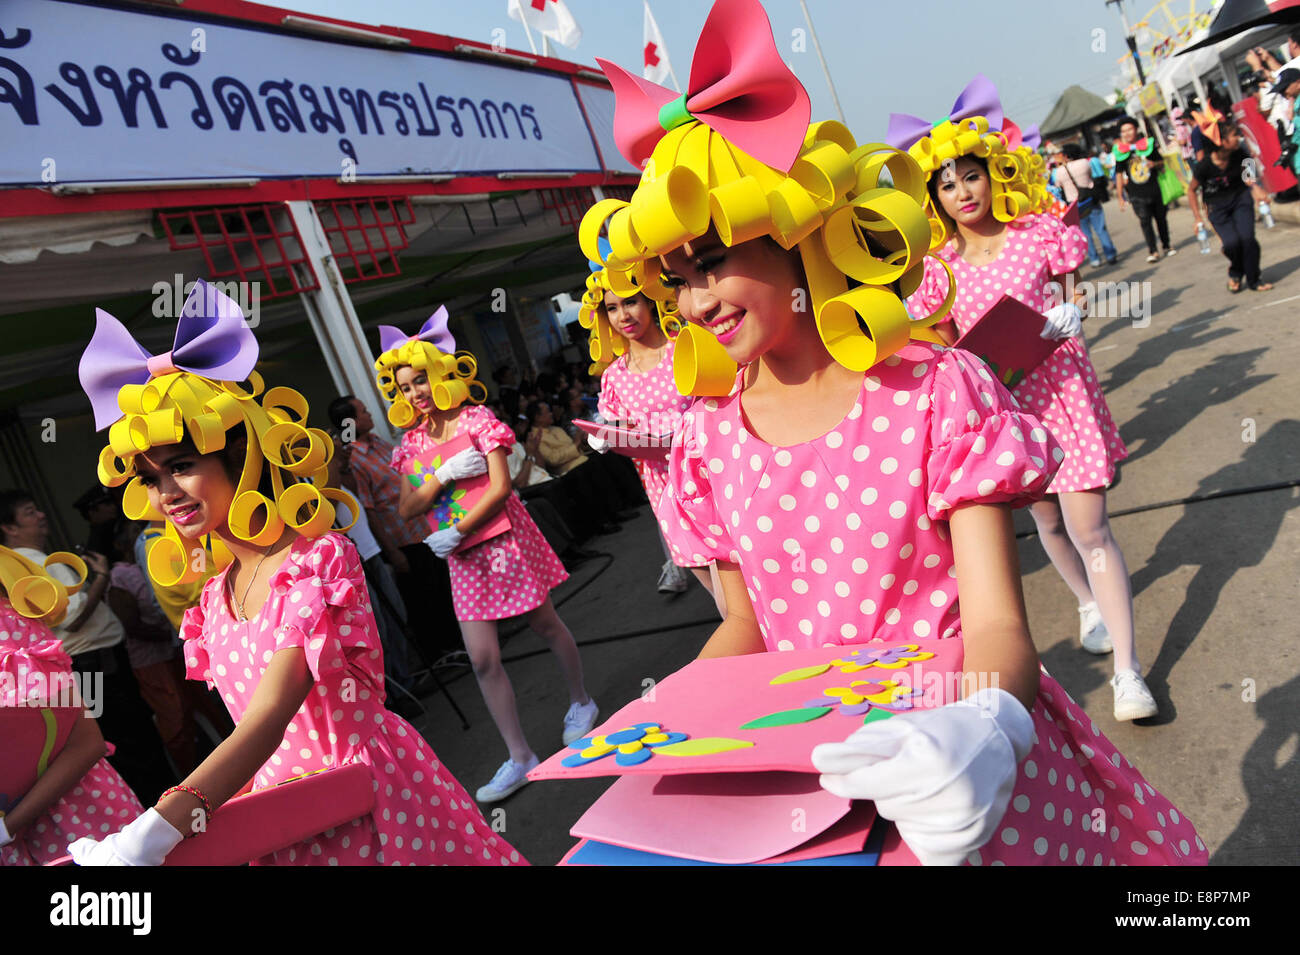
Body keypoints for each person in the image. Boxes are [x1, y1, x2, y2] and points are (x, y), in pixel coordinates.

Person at [584, 6, 1207, 865]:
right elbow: (745, 627)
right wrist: (665, 741)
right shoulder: (706, 440)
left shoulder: (935, 391)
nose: (695, 301)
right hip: (815, 795)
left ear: (802, 233)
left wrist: (983, 732)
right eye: (677, 278)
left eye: (716, 261)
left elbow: (995, 626)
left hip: (964, 775)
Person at [69, 280, 523, 865]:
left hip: (375, 811)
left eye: (181, 466)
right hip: (287, 825)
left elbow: (267, 718)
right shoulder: (213, 596)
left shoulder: (317, 560)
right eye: (152, 479)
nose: (166, 493)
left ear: (241, 456)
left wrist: (158, 827)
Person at [898, 85, 1157, 724]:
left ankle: (1129, 672)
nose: (964, 191)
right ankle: (1089, 602)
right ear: (935, 200)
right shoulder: (937, 270)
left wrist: (1072, 309)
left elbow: (1078, 295)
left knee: (1091, 528)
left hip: (1065, 394)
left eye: (972, 176)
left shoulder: (1038, 233)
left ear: (993, 175)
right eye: (948, 184)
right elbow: (943, 343)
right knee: (1047, 527)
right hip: (1007, 413)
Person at [376, 308, 599, 803]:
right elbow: (408, 505)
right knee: (481, 659)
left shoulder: (477, 419)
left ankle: (582, 702)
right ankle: (520, 757)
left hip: (501, 541)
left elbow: (501, 489)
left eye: (420, 381)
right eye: (404, 386)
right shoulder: (410, 443)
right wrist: (445, 474)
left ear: (439, 375)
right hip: (463, 556)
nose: (414, 393)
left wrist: (457, 529)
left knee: (545, 624)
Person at [0, 489, 175, 804]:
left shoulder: (26, 563)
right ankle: (160, 806)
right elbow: (74, 618)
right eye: (29, 512)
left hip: (90, 666)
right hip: (91, 664)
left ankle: (153, 806)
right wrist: (102, 577)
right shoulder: (32, 564)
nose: (41, 515)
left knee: (119, 735)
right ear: (9, 528)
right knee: (126, 736)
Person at [582, 269, 726, 606]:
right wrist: (607, 437)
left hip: (712, 478)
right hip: (664, 491)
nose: (623, 315)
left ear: (649, 301)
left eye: (630, 302)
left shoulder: (685, 350)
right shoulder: (614, 377)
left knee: (745, 583)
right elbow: (621, 432)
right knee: (717, 594)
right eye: (612, 308)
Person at [1, 545, 146, 865]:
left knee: (135, 743)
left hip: (75, 825)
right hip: (88, 673)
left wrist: (5, 829)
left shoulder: (9, 624)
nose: (38, 517)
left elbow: (87, 742)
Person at [326, 394, 463, 664]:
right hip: (400, 540)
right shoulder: (351, 458)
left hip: (422, 528)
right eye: (363, 411)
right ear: (350, 422)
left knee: (442, 588)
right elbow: (368, 508)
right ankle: (441, 654)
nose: (370, 414)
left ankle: (458, 644)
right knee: (424, 598)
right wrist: (392, 552)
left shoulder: (378, 444)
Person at [1186, 124, 1275, 293]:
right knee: (1231, 244)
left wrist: (1256, 188)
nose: (1238, 138)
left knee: (1248, 239)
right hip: (1216, 207)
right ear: (1221, 141)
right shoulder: (1204, 166)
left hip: (1241, 200)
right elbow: (1191, 190)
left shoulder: (1240, 153)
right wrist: (1197, 217)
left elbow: (1248, 176)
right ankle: (1235, 272)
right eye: (1234, 135)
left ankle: (1254, 279)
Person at [1114, 117, 1176, 262]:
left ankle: (1166, 245)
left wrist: (1154, 164)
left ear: (1136, 129)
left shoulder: (1148, 145)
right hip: (1136, 193)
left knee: (1161, 219)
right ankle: (1153, 251)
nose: (1127, 133)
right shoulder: (1121, 153)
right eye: (1124, 131)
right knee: (1144, 221)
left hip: (1155, 189)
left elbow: (1162, 163)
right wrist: (1120, 196)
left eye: (1129, 129)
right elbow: (1118, 175)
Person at [1054, 142, 1118, 267]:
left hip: (1074, 205)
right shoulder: (1084, 163)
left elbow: (1058, 186)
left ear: (1066, 156)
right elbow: (1090, 176)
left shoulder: (1060, 171)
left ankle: (1094, 259)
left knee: (1085, 233)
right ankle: (1110, 254)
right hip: (1091, 199)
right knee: (1101, 229)